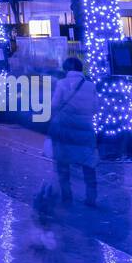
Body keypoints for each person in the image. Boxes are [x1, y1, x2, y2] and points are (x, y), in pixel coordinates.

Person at [47, 57, 98, 207]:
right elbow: (96, 108)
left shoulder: (62, 83)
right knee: (88, 163)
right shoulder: (90, 85)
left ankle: (67, 196)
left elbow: (54, 105)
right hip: (86, 128)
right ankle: (91, 198)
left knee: (63, 163)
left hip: (66, 129)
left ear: (66, 69)